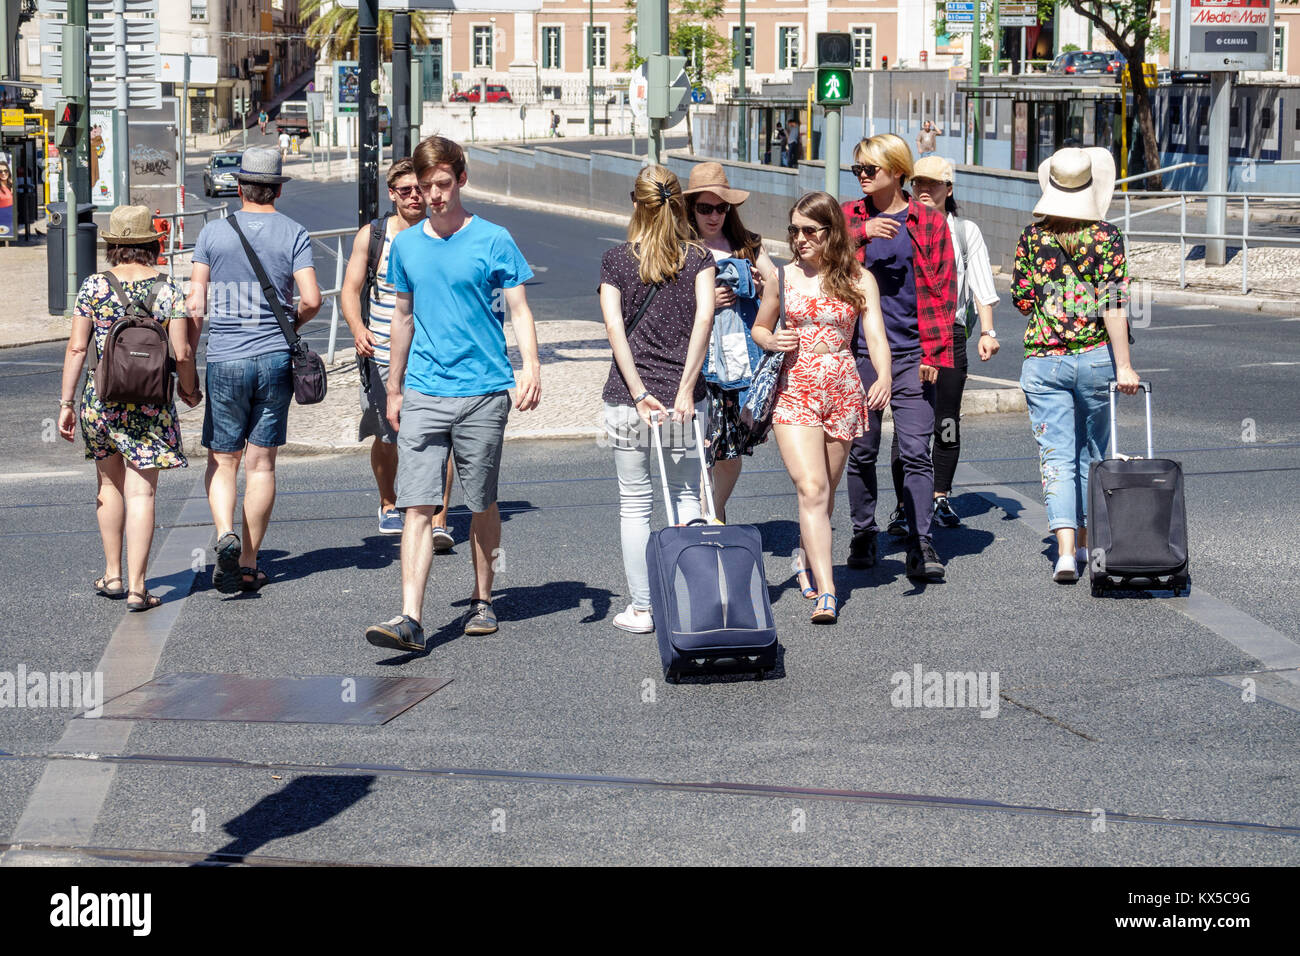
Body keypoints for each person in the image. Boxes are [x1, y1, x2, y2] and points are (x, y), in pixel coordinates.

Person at [365, 135, 542, 651]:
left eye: (443, 184)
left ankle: (483, 598)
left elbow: (520, 309)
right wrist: (393, 388)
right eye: (425, 187)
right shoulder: (407, 245)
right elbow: (401, 317)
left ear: (460, 180)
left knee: (481, 499)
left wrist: (530, 365)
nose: (434, 196)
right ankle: (410, 618)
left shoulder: (493, 238)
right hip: (423, 390)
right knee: (415, 506)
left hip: (484, 391)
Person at [186, 146, 322, 594]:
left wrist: (188, 357)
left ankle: (225, 530)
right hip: (273, 359)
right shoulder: (295, 232)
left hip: (225, 357)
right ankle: (247, 562)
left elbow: (195, 304)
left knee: (224, 460)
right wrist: (290, 326)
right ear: (278, 190)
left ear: (240, 186)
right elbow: (312, 300)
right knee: (261, 464)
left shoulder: (213, 233)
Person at [753, 192, 891, 624]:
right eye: (794, 230)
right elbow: (760, 325)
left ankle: (805, 558)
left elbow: (876, 335)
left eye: (808, 231)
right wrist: (771, 340)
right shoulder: (782, 277)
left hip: (842, 387)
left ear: (831, 232)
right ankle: (828, 593)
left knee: (826, 493)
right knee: (811, 488)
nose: (799, 239)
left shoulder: (858, 279)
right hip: (795, 387)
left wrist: (883, 376)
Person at [56, 205, 201, 611]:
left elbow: (77, 348)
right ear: (151, 244)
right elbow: (183, 351)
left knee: (108, 485)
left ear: (113, 246)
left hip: (100, 401)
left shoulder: (92, 287)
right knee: (142, 493)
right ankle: (138, 588)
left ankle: (113, 575)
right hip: (150, 405)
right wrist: (189, 391)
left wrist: (67, 403)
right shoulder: (169, 289)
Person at [1012, 146, 1140, 582]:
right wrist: (1124, 365)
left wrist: (1054, 298)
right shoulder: (1107, 237)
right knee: (1094, 453)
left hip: (1045, 360)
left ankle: (1065, 552)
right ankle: (1090, 544)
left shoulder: (1032, 237)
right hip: (1096, 359)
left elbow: (1023, 299)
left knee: (1056, 456)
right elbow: (1116, 304)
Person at [598, 165, 715, 634]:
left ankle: (644, 609)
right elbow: (705, 319)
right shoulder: (700, 258)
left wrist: (641, 392)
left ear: (636, 201)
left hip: (630, 401)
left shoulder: (616, 260)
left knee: (635, 502)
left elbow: (613, 330)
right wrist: (685, 389)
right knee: (687, 493)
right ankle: (691, 601)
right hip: (686, 401)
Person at [841, 133, 956, 582]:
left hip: (912, 353)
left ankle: (920, 540)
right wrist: (860, 234)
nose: (864, 177)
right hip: (861, 352)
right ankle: (863, 532)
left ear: (897, 171)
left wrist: (935, 352)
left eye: (871, 169)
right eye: (858, 170)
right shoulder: (848, 216)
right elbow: (814, 252)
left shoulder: (928, 221)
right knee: (862, 450)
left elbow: (945, 291)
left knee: (915, 451)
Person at [341, 157, 456, 543]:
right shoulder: (372, 236)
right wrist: (358, 329)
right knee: (387, 436)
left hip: (434, 353)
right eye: (404, 190)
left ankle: (438, 517)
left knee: (441, 436)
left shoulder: (441, 232)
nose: (414, 197)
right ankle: (389, 503)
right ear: (392, 194)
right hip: (382, 353)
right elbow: (350, 291)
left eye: (419, 189)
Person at [886, 154, 1000, 530]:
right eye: (917, 183)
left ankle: (940, 496)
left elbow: (982, 285)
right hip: (907, 334)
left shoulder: (965, 232)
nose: (923, 190)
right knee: (907, 425)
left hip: (949, 334)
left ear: (948, 189)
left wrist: (987, 331)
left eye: (933, 184)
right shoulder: (900, 225)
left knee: (946, 421)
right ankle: (906, 505)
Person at [682, 162, 778, 521]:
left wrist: (759, 283)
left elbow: (777, 287)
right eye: (705, 208)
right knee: (700, 445)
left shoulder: (747, 244)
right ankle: (701, 513)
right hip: (699, 360)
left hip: (740, 361)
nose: (714, 216)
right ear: (691, 209)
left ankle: (714, 509)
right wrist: (704, 301)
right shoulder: (683, 249)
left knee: (731, 449)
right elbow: (666, 302)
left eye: (721, 208)